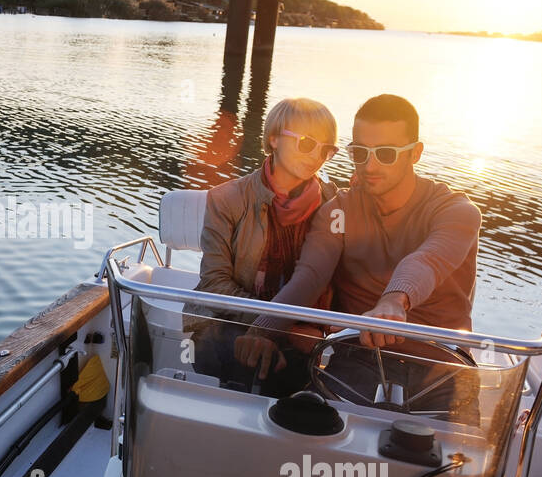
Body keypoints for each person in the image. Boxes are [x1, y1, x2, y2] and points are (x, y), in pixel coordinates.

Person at [240, 93, 483, 417]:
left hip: (443, 365)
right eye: (359, 153)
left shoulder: (454, 210)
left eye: (385, 154)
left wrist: (394, 301)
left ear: (415, 153)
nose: (369, 166)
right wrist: (260, 330)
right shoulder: (338, 212)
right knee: (307, 436)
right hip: (359, 357)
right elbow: (309, 278)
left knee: (458, 460)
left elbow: (427, 260)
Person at [185, 97, 340, 394]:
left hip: (303, 330)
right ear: (274, 139)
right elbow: (214, 283)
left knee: (302, 377)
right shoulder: (226, 198)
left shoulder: (336, 204)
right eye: (308, 143)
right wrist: (278, 324)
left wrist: (304, 328)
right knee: (245, 357)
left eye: (327, 149)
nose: (317, 156)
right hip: (227, 318)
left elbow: (335, 280)